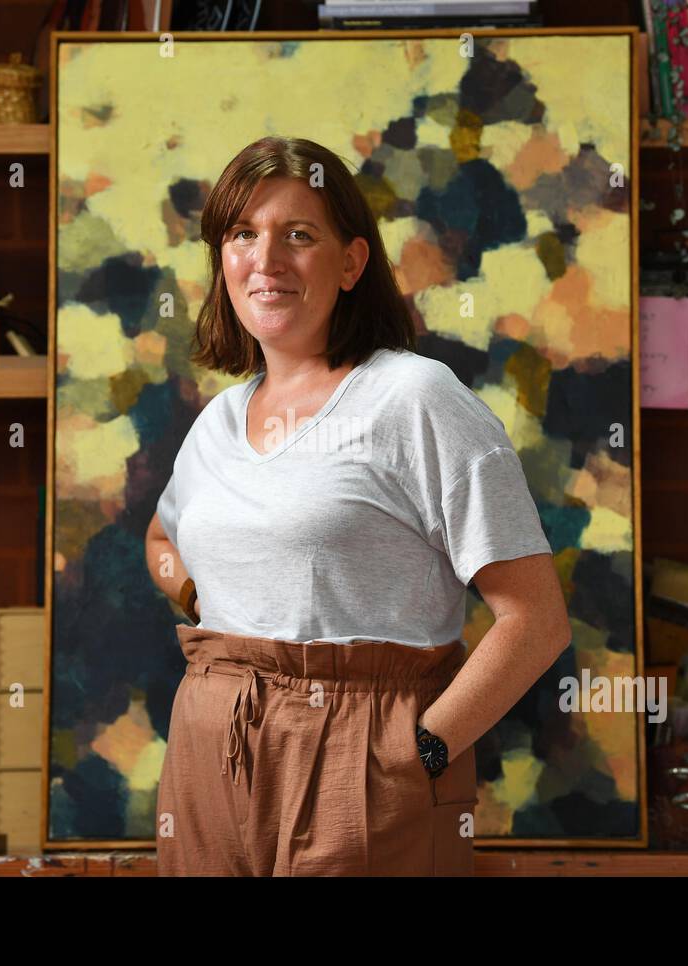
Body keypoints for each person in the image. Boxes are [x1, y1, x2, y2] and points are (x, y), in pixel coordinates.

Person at [145, 135, 571, 876]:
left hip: (362, 756)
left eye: (298, 235)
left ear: (350, 262)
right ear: (223, 259)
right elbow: (162, 535)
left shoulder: (415, 398)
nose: (266, 259)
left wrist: (423, 749)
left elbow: (534, 620)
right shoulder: (218, 419)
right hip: (207, 750)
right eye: (243, 234)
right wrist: (196, 591)